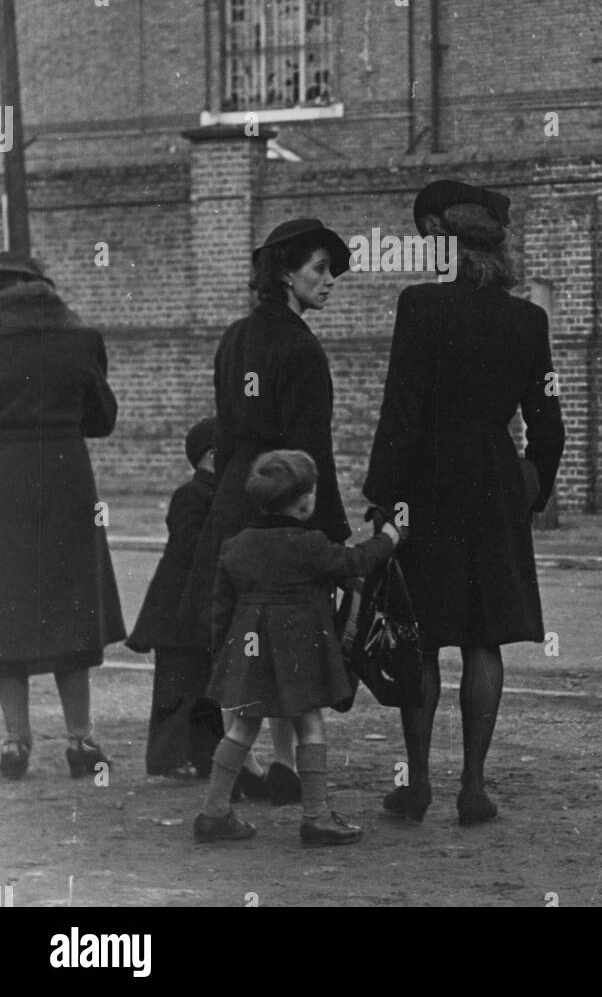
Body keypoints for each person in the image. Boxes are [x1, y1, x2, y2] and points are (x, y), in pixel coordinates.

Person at [364, 180, 565, 825]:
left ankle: (418, 783)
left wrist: (384, 498)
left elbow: (401, 411)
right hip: (496, 481)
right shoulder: (528, 320)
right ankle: (474, 787)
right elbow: (548, 417)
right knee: (483, 638)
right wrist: (533, 481)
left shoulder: (419, 308)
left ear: (443, 244)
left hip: (426, 482)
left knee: (419, 638)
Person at [181, 218, 354, 804]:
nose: (330, 282)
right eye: (319, 269)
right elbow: (312, 451)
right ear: (285, 273)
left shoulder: (234, 337)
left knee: (247, 634)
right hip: (286, 500)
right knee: (294, 633)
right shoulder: (302, 348)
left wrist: (222, 505)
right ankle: (285, 767)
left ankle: (255, 767)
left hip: (236, 496)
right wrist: (332, 529)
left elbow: (227, 434)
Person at [195, 449, 402, 844]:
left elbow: (219, 613)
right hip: (298, 651)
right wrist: (388, 538)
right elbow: (356, 562)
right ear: (306, 499)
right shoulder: (309, 545)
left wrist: (224, 658)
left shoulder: (236, 546)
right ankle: (316, 817)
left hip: (249, 650)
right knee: (309, 724)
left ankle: (213, 812)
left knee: (241, 727)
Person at [0, 253, 124, 781]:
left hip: (4, 479)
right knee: (73, 607)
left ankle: (13, 744)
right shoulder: (81, 337)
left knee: (6, 611)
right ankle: (81, 739)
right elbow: (102, 419)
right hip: (69, 479)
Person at [126, 420, 224, 780]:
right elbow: (191, 544)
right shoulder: (191, 494)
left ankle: (201, 756)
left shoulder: (212, 494)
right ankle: (168, 758)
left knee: (201, 687)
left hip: (191, 610)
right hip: (177, 611)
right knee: (177, 689)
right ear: (211, 455)